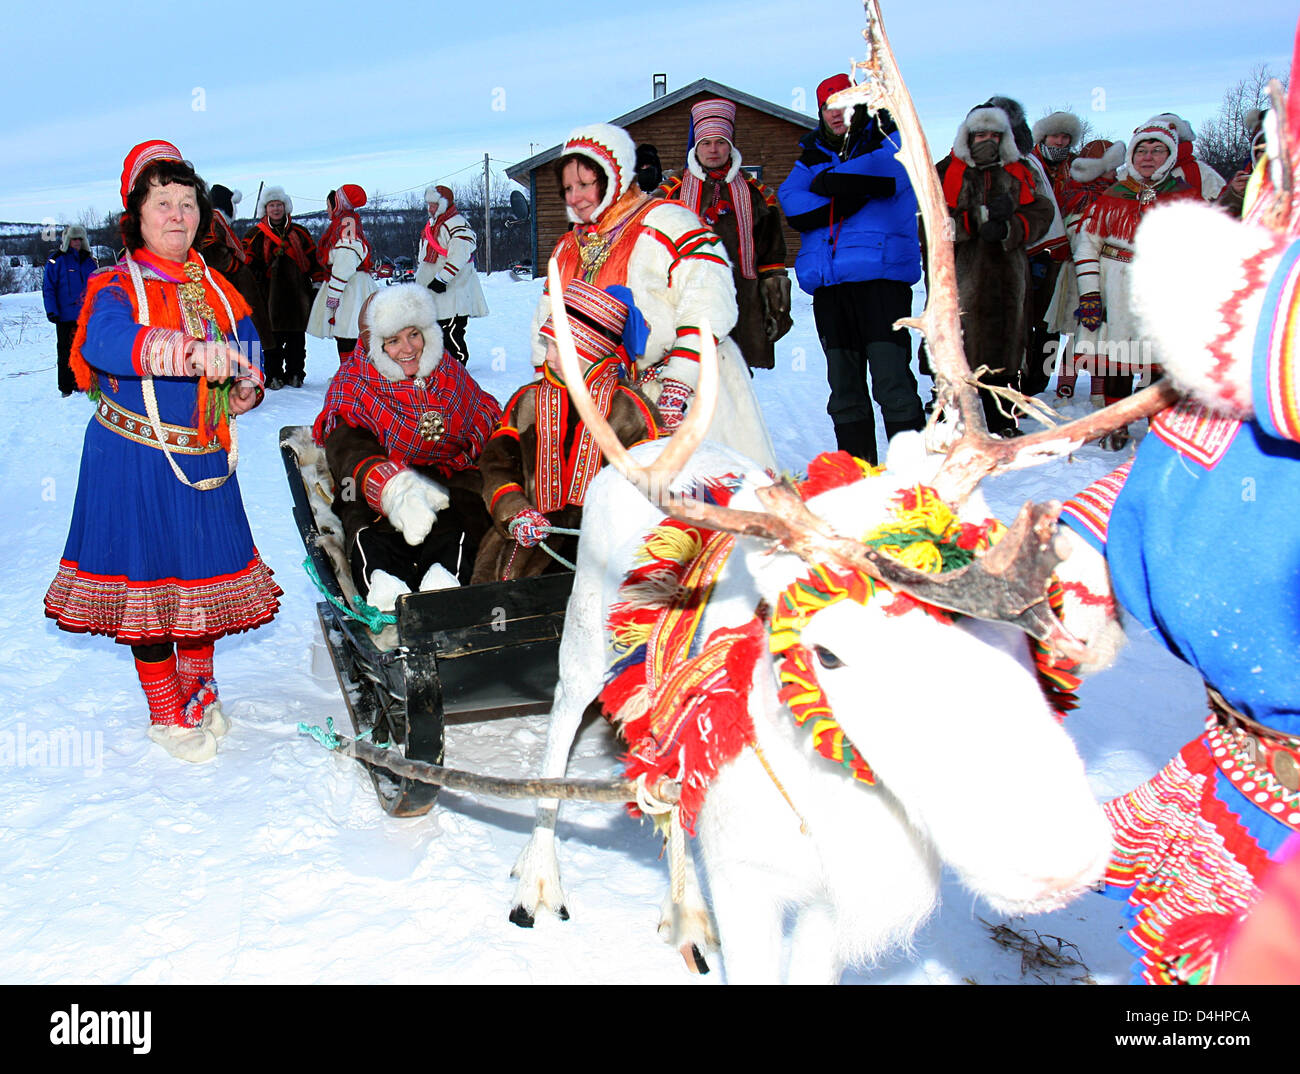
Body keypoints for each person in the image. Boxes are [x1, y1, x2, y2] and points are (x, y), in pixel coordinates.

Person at [43, 139, 278, 764]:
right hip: (133, 458)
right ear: (136, 216)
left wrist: (248, 387)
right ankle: (166, 711)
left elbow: (251, 348)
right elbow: (109, 344)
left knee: (199, 575)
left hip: (204, 455)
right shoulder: (114, 285)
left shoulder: (219, 287)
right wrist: (194, 354)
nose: (178, 215)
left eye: (186, 203)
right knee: (148, 582)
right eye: (162, 203)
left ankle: (199, 688)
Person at [534, 122, 776, 470]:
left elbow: (710, 296)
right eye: (568, 187)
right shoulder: (568, 248)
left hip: (684, 392)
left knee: (702, 507)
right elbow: (546, 322)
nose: (575, 197)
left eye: (585, 184)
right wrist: (549, 384)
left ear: (613, 175)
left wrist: (680, 378)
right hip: (609, 402)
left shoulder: (667, 222)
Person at [312, 284, 500, 608]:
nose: (408, 348)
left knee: (467, 509)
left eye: (414, 334)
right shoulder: (355, 383)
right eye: (393, 340)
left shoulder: (447, 371)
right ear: (373, 344)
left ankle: (444, 578)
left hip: (447, 472)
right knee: (360, 510)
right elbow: (348, 446)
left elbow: (483, 413)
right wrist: (391, 486)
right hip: (383, 477)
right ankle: (385, 581)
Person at [779, 74, 925, 464]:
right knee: (844, 390)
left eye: (844, 105)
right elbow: (791, 203)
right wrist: (842, 192)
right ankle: (859, 474)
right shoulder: (809, 156)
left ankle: (911, 478)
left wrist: (827, 185)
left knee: (893, 382)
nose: (837, 115)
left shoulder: (889, 140)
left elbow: (879, 176)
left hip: (882, 284)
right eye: (829, 108)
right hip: (831, 289)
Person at [473, 279, 659, 583]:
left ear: (593, 349)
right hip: (527, 544)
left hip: (607, 551)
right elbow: (497, 468)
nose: (549, 357)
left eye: (561, 347)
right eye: (548, 345)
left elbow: (652, 489)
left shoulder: (633, 412)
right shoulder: (527, 402)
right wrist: (515, 511)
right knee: (503, 600)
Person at [1071, 120, 1200, 448]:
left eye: (1157, 150)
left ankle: (1161, 429)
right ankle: (1117, 424)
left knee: (1161, 360)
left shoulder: (1185, 198)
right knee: (1119, 358)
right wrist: (1090, 294)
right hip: (1117, 285)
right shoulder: (1112, 196)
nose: (1147, 156)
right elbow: (1087, 243)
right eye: (1141, 150)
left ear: (1170, 156)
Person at [935, 103, 1054, 436]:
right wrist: (977, 220)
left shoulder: (1019, 170)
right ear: (967, 136)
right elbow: (930, 223)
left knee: (1004, 345)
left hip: (1008, 273)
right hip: (960, 273)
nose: (985, 140)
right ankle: (953, 419)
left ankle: (1001, 416)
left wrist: (1011, 227)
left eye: (993, 134)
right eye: (979, 134)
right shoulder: (946, 171)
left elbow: (1042, 213)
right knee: (958, 344)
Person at [657, 97, 792, 372]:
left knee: (736, 385)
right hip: (685, 303)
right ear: (696, 147)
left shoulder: (757, 195)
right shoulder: (671, 194)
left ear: (730, 145)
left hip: (742, 302)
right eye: (706, 143)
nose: (714, 150)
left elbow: (771, 255)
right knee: (687, 383)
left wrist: (776, 304)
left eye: (720, 142)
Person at [1047, 138, 1127, 400]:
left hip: (1105, 274)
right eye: (1111, 168)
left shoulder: (1116, 194)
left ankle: (1098, 388)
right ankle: (1066, 384)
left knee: (1101, 333)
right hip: (1079, 274)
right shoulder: (1078, 196)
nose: (1115, 173)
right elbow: (1075, 235)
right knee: (1080, 330)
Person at [1023, 111, 1083, 396]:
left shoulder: (1077, 169)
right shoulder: (1027, 164)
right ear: (1042, 137)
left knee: (1051, 324)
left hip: (1063, 255)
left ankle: (1038, 383)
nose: (1059, 142)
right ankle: (1017, 380)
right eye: (1054, 136)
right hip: (1032, 252)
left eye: (1065, 137)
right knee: (1024, 322)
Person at [243, 185, 319, 389]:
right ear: (265, 209)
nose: (276, 209)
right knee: (271, 340)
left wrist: (318, 285)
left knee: (296, 338)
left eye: (279, 205)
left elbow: (313, 260)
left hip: (297, 296)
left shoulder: (300, 233)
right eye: (272, 205)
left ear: (286, 207)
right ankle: (273, 375)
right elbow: (247, 265)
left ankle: (295, 373)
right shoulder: (254, 235)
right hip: (268, 297)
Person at [199, 185, 274, 368]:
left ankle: (249, 369)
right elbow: (210, 248)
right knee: (238, 330)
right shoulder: (213, 221)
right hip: (229, 287)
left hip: (234, 285)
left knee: (245, 329)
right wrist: (234, 266)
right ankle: (245, 370)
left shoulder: (216, 221)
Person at [413, 185, 488, 366]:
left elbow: (460, 255)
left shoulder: (457, 224)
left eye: (433, 205)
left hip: (454, 291)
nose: (430, 209)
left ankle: (458, 366)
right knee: (438, 331)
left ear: (443, 204)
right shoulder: (435, 224)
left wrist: (442, 279)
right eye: (429, 205)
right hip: (437, 293)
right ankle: (445, 367)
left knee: (452, 331)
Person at [307, 184, 378, 359]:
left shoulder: (346, 223)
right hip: (352, 285)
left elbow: (346, 259)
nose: (327, 210)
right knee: (349, 333)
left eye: (329, 206)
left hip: (350, 289)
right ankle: (351, 374)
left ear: (338, 204)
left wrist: (334, 294)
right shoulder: (346, 222)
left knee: (349, 333)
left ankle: (353, 376)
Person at [42, 225, 97, 396]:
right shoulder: (56, 260)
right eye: (74, 239)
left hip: (86, 316)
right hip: (65, 316)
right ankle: (66, 387)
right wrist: (52, 310)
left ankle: (83, 383)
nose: (77, 242)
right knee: (66, 352)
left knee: (85, 350)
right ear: (67, 241)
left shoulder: (89, 261)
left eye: (80, 239)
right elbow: (48, 288)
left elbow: (97, 287)